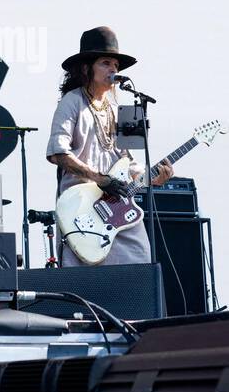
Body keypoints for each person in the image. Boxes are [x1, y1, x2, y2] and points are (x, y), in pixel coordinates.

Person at [46, 27, 173, 267]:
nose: (113, 69)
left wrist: (153, 178)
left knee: (140, 261)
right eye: (105, 63)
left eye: (116, 64)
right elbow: (58, 153)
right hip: (80, 208)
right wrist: (100, 179)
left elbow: (128, 166)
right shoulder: (71, 102)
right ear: (86, 68)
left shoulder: (118, 110)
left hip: (116, 204)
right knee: (83, 278)